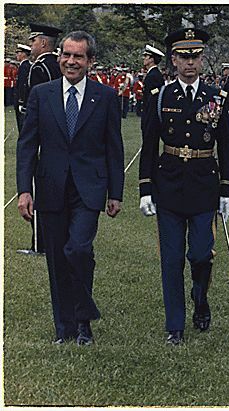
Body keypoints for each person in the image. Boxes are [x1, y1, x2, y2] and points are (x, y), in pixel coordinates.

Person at [16, 30, 124, 345]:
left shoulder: (105, 98)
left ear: (90, 61)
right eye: (66, 54)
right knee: (57, 260)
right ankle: (65, 328)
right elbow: (27, 147)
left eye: (78, 56)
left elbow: (113, 149)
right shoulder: (42, 94)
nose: (70, 61)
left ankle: (83, 321)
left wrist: (115, 193)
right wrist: (25, 190)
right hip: (50, 187)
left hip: (88, 190)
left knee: (78, 249)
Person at [138, 28, 229, 346]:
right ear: (174, 60)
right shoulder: (161, 96)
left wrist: (226, 191)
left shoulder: (216, 97)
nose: (190, 63)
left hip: (204, 185)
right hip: (168, 185)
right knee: (171, 258)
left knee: (202, 254)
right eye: (183, 57)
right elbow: (149, 144)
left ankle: (199, 295)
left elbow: (226, 147)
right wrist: (145, 188)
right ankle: (175, 325)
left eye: (195, 57)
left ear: (203, 60)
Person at [17, 23, 64, 257]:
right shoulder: (59, 65)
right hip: (60, 136)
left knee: (38, 189)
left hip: (43, 135)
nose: (32, 45)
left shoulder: (39, 68)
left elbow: (34, 107)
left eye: (34, 41)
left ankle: (39, 244)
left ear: (44, 43)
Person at [141, 44, 165, 128]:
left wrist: (148, 115)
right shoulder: (152, 74)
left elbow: (153, 95)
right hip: (148, 113)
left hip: (151, 115)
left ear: (152, 59)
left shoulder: (153, 75)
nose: (144, 58)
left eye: (146, 56)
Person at [14, 43, 32, 132]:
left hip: (21, 100)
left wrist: (21, 101)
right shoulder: (25, 65)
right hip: (22, 100)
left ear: (24, 54)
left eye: (19, 52)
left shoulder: (24, 66)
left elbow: (23, 85)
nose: (17, 55)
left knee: (22, 126)